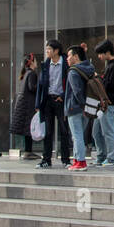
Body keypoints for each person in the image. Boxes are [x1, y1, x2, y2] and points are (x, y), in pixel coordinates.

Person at [36, 39, 72, 169]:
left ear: (56, 51)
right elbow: (41, 85)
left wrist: (63, 96)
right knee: (48, 131)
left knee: (64, 131)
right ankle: (46, 159)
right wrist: (38, 104)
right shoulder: (45, 64)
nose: (47, 52)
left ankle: (66, 159)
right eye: (46, 49)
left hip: (61, 101)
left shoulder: (66, 64)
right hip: (48, 101)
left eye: (49, 49)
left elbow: (69, 83)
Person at [63, 45, 97, 171]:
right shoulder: (89, 69)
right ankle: (76, 161)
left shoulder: (73, 71)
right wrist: (86, 106)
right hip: (87, 108)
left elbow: (76, 92)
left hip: (75, 107)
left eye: (69, 55)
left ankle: (81, 162)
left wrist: (82, 105)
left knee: (77, 136)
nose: (67, 58)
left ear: (76, 56)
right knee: (79, 135)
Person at [93, 40, 114, 167]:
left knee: (108, 131)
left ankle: (111, 158)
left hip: (107, 103)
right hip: (103, 104)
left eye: (100, 53)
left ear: (107, 52)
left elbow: (109, 85)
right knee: (96, 132)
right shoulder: (112, 66)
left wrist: (99, 79)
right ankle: (102, 156)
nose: (99, 57)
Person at [8, 53, 39, 159]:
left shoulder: (25, 73)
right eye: (35, 60)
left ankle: (28, 151)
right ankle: (28, 151)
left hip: (23, 104)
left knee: (27, 128)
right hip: (28, 105)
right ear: (31, 62)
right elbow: (32, 87)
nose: (37, 63)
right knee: (29, 128)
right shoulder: (31, 74)